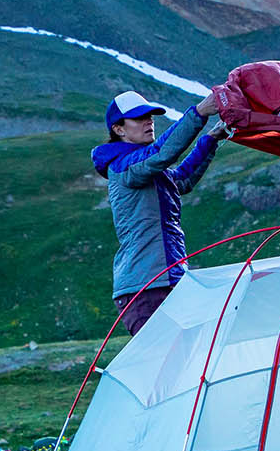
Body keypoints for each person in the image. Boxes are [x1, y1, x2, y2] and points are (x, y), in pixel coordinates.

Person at [89, 89, 227, 336]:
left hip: (167, 279)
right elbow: (161, 154)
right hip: (146, 288)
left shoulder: (143, 168)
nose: (149, 121)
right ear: (119, 129)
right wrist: (200, 112)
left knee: (186, 362)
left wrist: (211, 139)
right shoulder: (124, 165)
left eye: (150, 116)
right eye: (140, 118)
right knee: (168, 367)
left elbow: (181, 180)